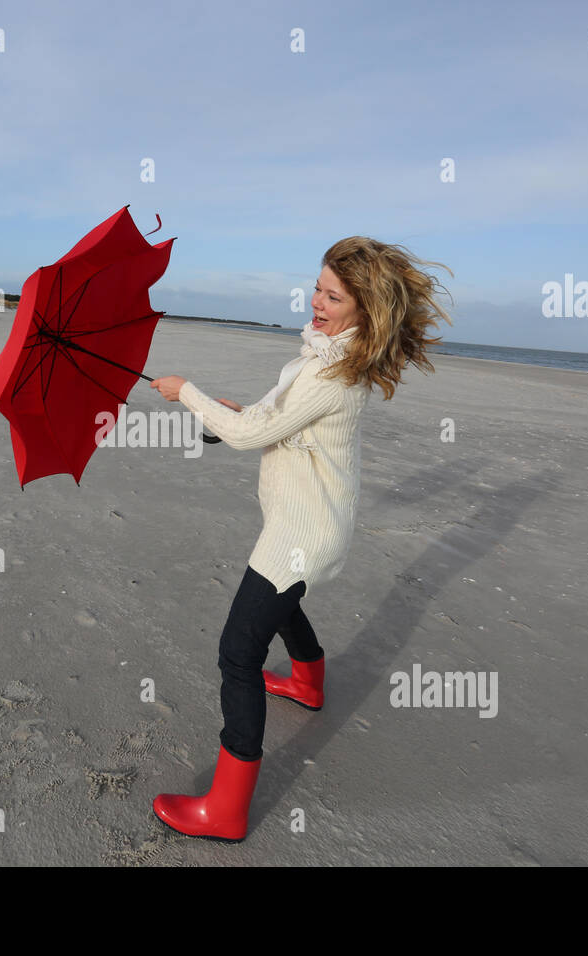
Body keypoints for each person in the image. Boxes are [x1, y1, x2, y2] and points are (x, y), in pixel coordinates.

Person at [148, 237, 452, 841]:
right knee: (281, 601)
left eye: (333, 295)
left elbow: (245, 434)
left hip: (302, 534)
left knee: (238, 652)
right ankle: (308, 682)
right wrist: (222, 414)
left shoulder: (329, 374)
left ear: (365, 308)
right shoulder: (322, 359)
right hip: (311, 525)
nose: (316, 301)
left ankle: (226, 808)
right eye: (317, 287)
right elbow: (263, 421)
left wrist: (187, 393)